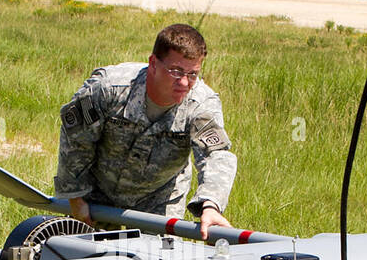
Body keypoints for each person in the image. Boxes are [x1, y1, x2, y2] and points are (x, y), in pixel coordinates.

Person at [54, 23, 236, 239]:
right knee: (86, 258)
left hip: (160, 197)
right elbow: (77, 137)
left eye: (193, 74)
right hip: (97, 192)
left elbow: (215, 154)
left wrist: (211, 204)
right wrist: (76, 195)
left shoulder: (200, 104)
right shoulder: (109, 89)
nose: (184, 82)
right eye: (176, 71)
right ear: (153, 63)